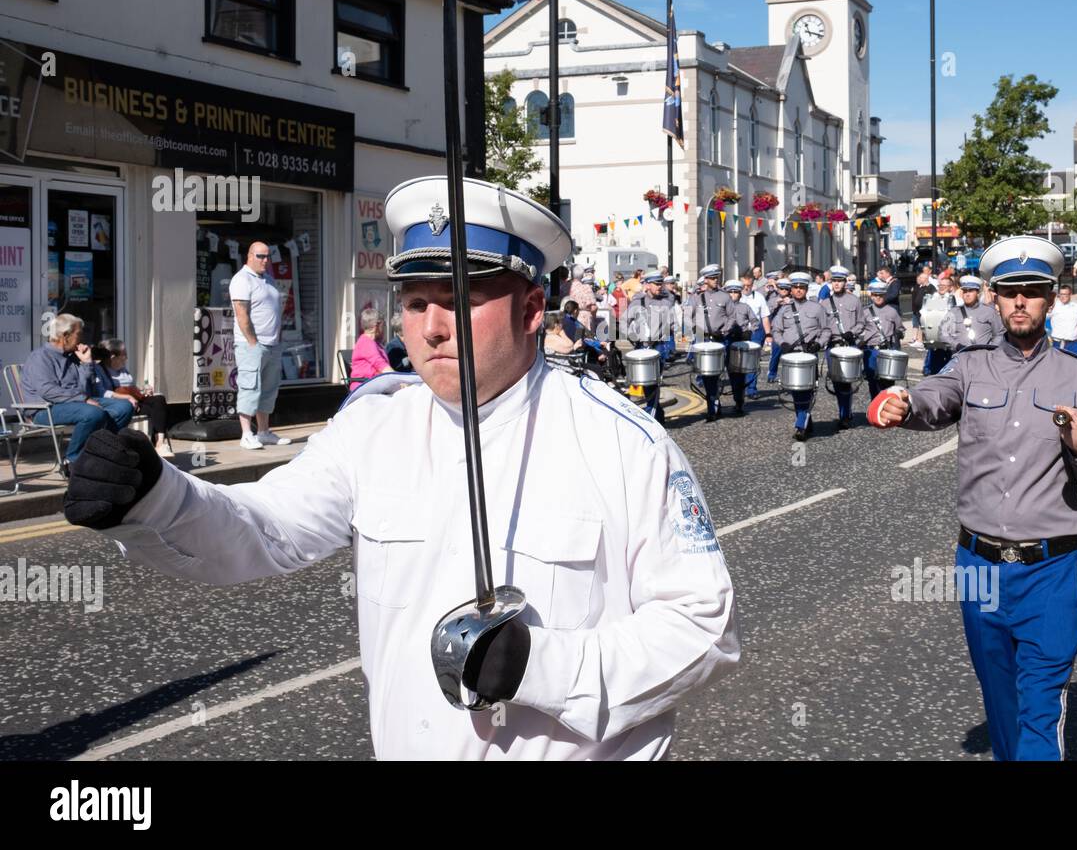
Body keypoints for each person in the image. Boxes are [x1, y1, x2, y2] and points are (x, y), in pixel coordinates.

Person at [61, 175, 739, 760]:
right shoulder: (374, 425)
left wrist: (546, 667)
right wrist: (155, 495)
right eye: (416, 303)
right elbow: (262, 530)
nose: (432, 327)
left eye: (462, 300)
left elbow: (702, 626)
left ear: (532, 310)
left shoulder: (621, 442)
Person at [866, 235, 1077, 761]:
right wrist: (902, 400)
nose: (1020, 301)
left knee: (1039, 709)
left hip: (1051, 567)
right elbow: (935, 398)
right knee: (1001, 704)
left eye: (1032, 291)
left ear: (1052, 298)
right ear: (995, 298)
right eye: (1009, 292)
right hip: (978, 568)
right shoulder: (969, 365)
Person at [21, 314, 134, 472]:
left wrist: (87, 363)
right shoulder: (40, 357)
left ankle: (98, 452)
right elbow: (48, 391)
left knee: (124, 408)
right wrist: (83, 398)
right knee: (92, 413)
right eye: (79, 334)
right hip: (44, 409)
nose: (83, 338)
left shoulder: (72, 357)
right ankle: (73, 460)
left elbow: (85, 389)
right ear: (65, 336)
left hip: (76, 404)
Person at [229, 241, 290, 450]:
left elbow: (275, 311)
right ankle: (246, 434)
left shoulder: (269, 280)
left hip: (273, 344)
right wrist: (253, 342)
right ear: (249, 256)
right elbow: (241, 313)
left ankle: (263, 431)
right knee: (249, 387)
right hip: (252, 345)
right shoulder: (242, 279)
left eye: (267, 256)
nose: (265, 260)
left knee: (268, 390)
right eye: (260, 256)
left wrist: (278, 337)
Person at [89, 338, 173, 457]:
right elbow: (101, 393)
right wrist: (127, 397)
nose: (126, 358)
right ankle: (157, 447)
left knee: (159, 401)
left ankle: (160, 443)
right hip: (117, 406)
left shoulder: (122, 370)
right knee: (158, 412)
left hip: (134, 403)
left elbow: (131, 388)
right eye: (124, 355)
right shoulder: (99, 370)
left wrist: (143, 389)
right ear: (113, 356)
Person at [771, 272, 829, 441]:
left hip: (808, 354)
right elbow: (776, 330)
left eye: (801, 287)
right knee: (796, 391)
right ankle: (804, 420)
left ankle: (800, 425)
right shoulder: (784, 310)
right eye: (795, 287)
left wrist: (818, 344)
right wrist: (782, 343)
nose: (798, 290)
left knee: (808, 390)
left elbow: (826, 330)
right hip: (791, 354)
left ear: (806, 289)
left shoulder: (817, 308)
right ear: (791, 289)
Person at [685, 264, 735, 422]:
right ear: (705, 280)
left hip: (719, 339)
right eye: (712, 278)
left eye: (716, 277)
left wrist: (724, 330)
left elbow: (732, 317)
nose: (715, 280)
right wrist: (694, 327)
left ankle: (715, 403)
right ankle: (712, 407)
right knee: (707, 375)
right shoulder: (697, 298)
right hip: (703, 339)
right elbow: (686, 316)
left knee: (717, 373)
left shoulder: (724, 296)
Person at [625, 272, 677, 424]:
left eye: (661, 283)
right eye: (656, 283)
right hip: (642, 347)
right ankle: (656, 415)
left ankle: (652, 418)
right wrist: (634, 336)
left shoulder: (665, 303)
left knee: (654, 383)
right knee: (647, 384)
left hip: (659, 346)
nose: (660, 286)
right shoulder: (637, 302)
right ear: (647, 285)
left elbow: (673, 324)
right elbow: (625, 323)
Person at [821, 265, 866, 429]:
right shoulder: (825, 303)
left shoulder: (854, 300)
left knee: (846, 381)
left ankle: (845, 414)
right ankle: (844, 411)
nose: (837, 284)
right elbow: (822, 325)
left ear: (845, 282)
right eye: (834, 281)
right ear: (831, 282)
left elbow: (862, 322)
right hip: (832, 346)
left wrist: (852, 332)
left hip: (848, 344)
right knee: (836, 381)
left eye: (840, 281)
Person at [860, 278, 903, 399]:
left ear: (885, 295)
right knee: (872, 380)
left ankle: (885, 405)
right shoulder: (865, 312)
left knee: (887, 381)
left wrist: (899, 333)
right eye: (875, 295)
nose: (878, 298)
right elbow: (859, 329)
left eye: (881, 295)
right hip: (870, 349)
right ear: (871, 296)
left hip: (886, 350)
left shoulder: (892, 311)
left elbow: (901, 328)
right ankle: (875, 404)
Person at [940, 276, 1004, 353]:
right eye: (965, 291)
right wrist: (957, 345)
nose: (967, 294)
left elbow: (999, 333)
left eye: (970, 291)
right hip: (960, 356)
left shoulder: (989, 311)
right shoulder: (953, 312)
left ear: (977, 293)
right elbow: (943, 334)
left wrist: (991, 349)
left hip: (983, 357)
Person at [723, 279, 758, 417]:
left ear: (740, 294)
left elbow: (755, 321)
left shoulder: (745, 307)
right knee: (730, 372)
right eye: (730, 292)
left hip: (741, 340)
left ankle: (739, 401)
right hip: (727, 339)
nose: (733, 295)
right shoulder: (723, 307)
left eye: (736, 292)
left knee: (740, 373)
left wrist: (749, 330)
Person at [738, 274, 771, 399]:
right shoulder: (735, 296)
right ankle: (740, 386)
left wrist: (768, 334)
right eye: (744, 286)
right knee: (739, 361)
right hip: (740, 331)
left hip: (756, 331)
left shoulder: (759, 297)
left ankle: (751, 389)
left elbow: (765, 316)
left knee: (752, 360)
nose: (746, 288)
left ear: (753, 285)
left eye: (749, 285)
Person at [349, 308, 394, 391]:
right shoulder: (366, 342)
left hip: (373, 385)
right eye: (383, 325)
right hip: (364, 387)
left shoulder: (374, 343)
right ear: (376, 326)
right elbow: (381, 365)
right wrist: (398, 381)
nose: (384, 328)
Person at [921, 275, 957, 374]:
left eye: (944, 285)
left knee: (950, 366)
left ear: (950, 287)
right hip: (935, 338)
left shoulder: (955, 299)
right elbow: (926, 315)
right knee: (935, 366)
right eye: (940, 285)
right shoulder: (932, 299)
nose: (941, 287)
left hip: (950, 339)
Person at [1046, 284, 1077, 356]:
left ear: (1070, 294)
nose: (1062, 296)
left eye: (1065, 294)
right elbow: (1043, 319)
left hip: (1073, 344)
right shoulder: (1054, 306)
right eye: (1061, 294)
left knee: (1075, 366)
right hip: (1057, 344)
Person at [766, 278, 793, 383]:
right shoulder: (773, 300)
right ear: (778, 289)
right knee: (775, 354)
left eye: (787, 288)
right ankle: (772, 374)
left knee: (789, 355)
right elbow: (766, 313)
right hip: (777, 331)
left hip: (789, 331)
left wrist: (790, 303)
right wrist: (776, 304)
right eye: (782, 288)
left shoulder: (793, 299)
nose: (784, 291)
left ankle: (789, 376)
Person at [908, 266, 937, 348]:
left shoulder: (931, 287)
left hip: (925, 311)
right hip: (917, 310)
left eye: (921, 277)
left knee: (923, 326)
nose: (919, 279)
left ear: (925, 279)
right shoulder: (920, 287)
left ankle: (922, 341)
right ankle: (919, 340)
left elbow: (933, 299)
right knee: (919, 325)